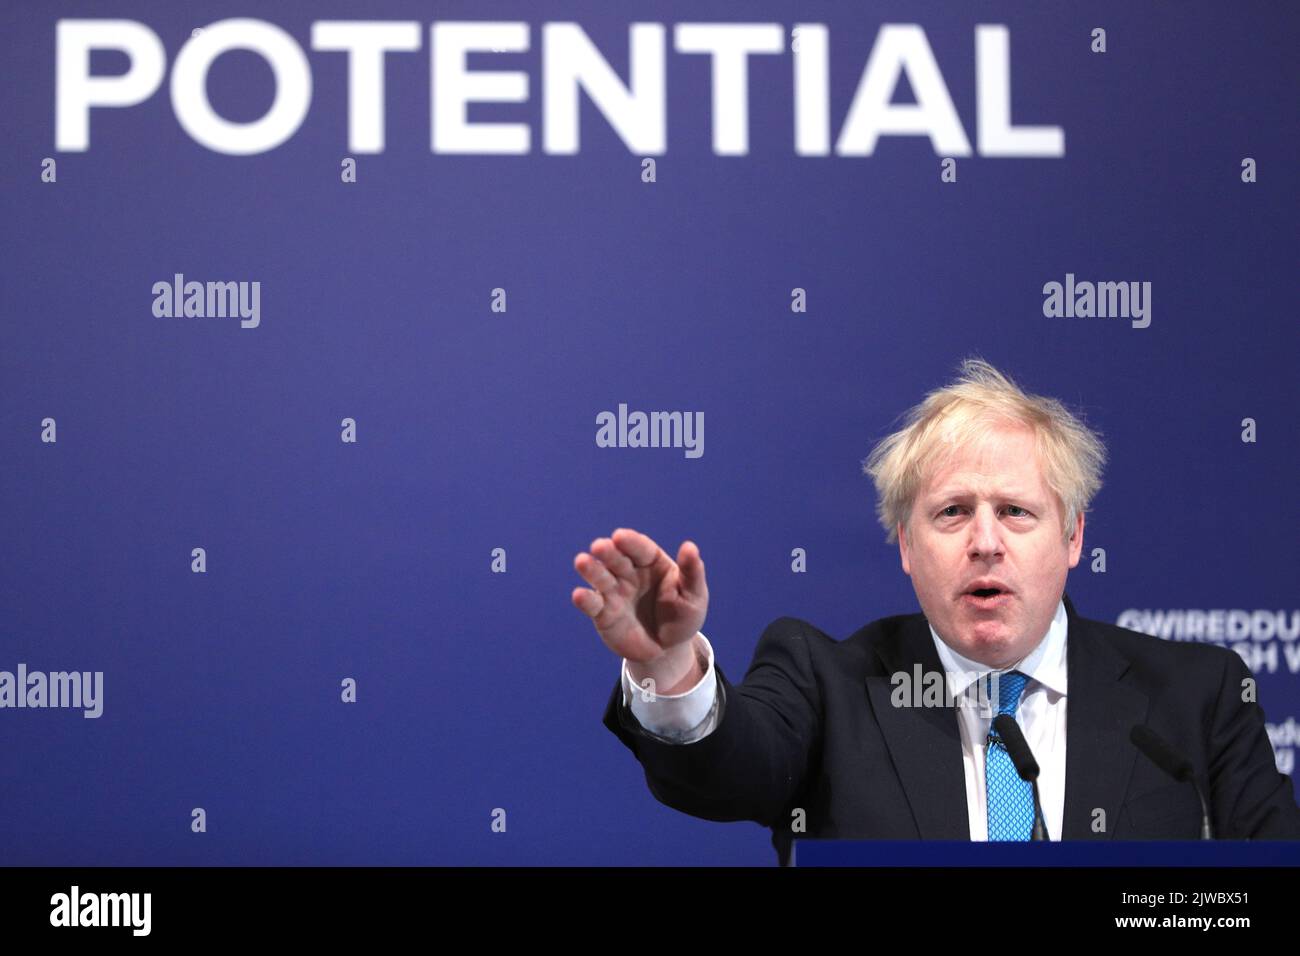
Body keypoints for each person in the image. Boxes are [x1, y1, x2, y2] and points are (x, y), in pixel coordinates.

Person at [572, 358, 1300, 865]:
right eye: (952, 513)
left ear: (1074, 536)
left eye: (1016, 511)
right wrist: (667, 663)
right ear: (906, 545)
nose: (986, 543)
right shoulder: (827, 683)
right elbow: (729, 775)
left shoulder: (1195, 696)